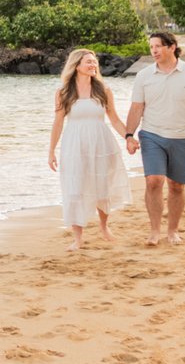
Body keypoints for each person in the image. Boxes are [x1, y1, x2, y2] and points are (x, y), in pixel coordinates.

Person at [122, 32, 185, 247]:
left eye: (158, 46)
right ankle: (154, 231)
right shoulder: (144, 76)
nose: (153, 50)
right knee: (154, 181)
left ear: (172, 47)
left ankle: (173, 230)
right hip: (152, 135)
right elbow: (136, 108)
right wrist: (129, 135)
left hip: (183, 137)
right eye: (151, 47)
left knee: (177, 186)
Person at [47, 49, 130, 252]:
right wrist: (51, 151)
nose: (93, 65)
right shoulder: (64, 92)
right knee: (75, 188)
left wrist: (129, 137)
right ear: (76, 66)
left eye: (94, 62)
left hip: (101, 144)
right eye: (88, 62)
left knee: (102, 185)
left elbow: (114, 119)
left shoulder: (103, 90)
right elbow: (58, 123)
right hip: (74, 145)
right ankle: (78, 238)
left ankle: (104, 227)